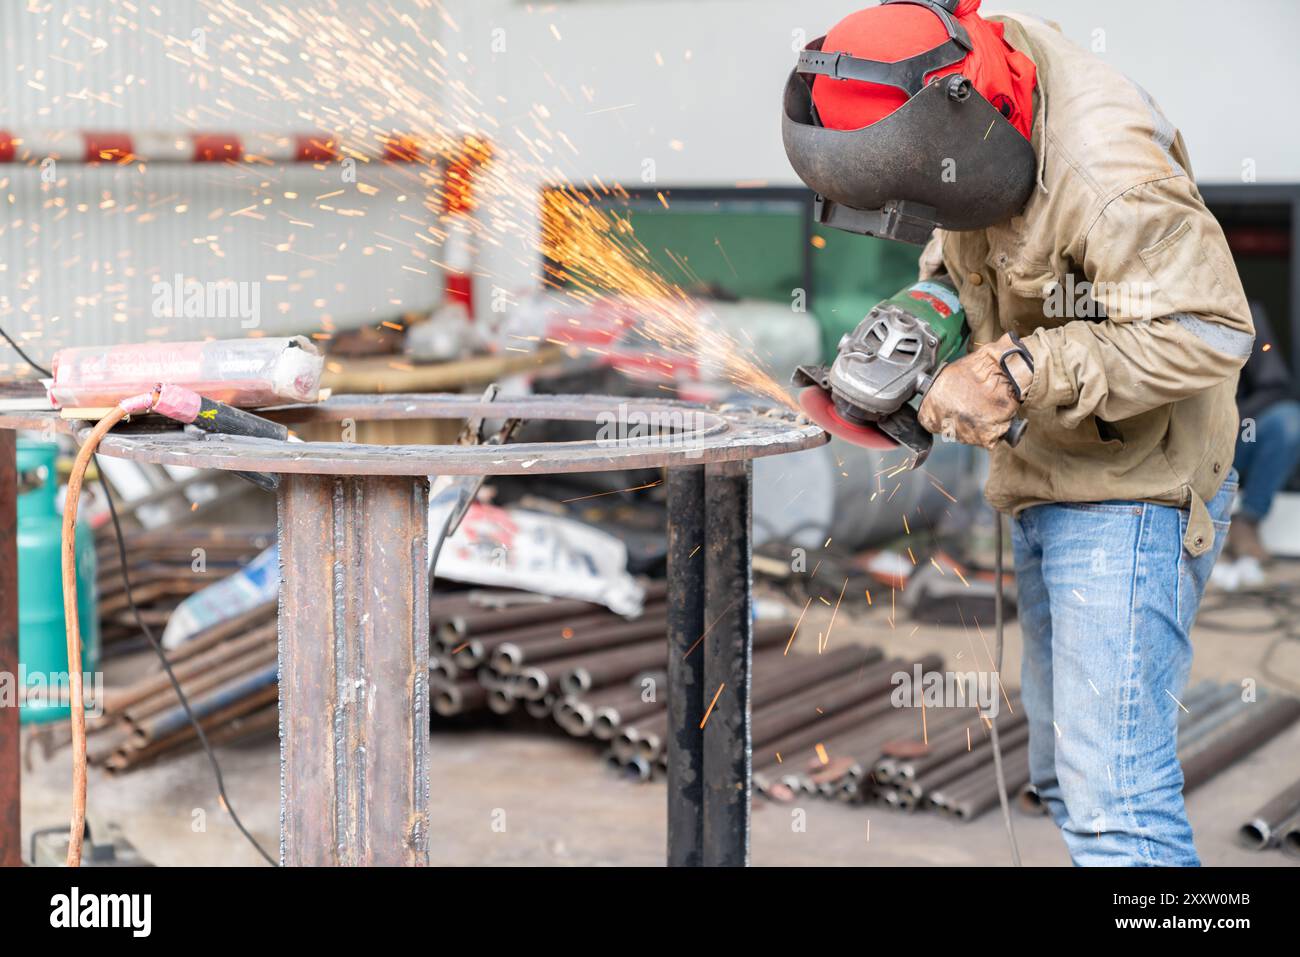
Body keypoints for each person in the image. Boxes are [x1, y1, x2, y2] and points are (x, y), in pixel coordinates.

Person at [783, 0, 1253, 865]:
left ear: (963, 122)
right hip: (1047, 473)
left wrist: (1016, 373)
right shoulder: (980, 100)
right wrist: (929, 313)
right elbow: (960, 245)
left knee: (1116, 802)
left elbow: (1211, 327)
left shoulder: (1106, 170)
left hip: (1135, 489)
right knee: (1066, 778)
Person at [1215, 302, 1300, 587]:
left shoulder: (1241, 312)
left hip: (1234, 436)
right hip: (1175, 443)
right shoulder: (1156, 308)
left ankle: (1246, 522)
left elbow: (1274, 385)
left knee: (1287, 422)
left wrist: (1230, 418)